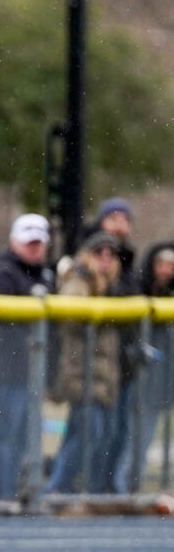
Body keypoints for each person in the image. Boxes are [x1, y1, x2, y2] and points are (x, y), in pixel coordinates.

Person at [0, 213, 53, 501]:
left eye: (39, 243)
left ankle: (21, 492)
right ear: (14, 242)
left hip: (32, 371)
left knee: (27, 436)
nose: (34, 248)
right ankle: (1, 493)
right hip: (9, 370)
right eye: (29, 242)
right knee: (6, 433)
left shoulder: (45, 276)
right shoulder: (4, 273)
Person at [47, 231, 123, 495]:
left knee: (88, 435)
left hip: (102, 379)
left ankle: (65, 489)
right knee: (88, 435)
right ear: (87, 255)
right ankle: (56, 489)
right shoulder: (79, 279)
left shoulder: (110, 285)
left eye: (111, 254)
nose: (105, 258)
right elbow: (69, 313)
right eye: (99, 252)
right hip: (82, 375)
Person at [91, 198, 141, 493]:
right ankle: (89, 488)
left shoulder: (130, 264)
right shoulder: (91, 256)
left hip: (124, 364)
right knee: (96, 432)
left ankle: (110, 488)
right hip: (96, 364)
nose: (119, 224)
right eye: (113, 217)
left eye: (125, 218)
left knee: (121, 431)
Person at [126, 243, 174, 492]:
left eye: (171, 266)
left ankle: (131, 491)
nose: (166, 271)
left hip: (159, 387)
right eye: (161, 264)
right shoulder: (137, 291)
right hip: (133, 382)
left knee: (143, 442)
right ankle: (119, 490)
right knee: (127, 440)